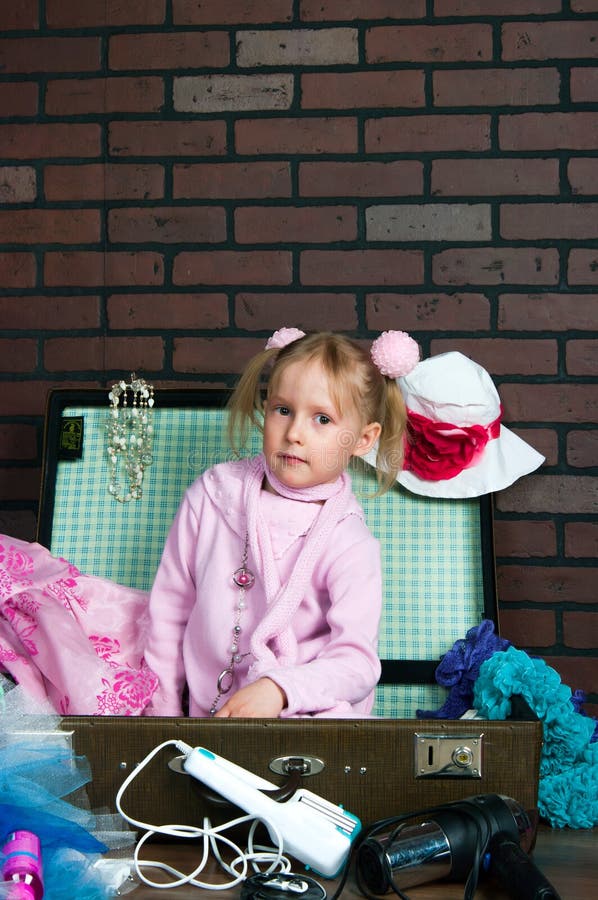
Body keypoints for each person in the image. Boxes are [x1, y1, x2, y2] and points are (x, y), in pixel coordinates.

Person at [143, 327, 420, 719]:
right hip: (205, 716)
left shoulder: (348, 540)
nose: (294, 434)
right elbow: (167, 613)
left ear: (363, 439)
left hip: (299, 717)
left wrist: (280, 690)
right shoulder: (211, 496)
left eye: (322, 419)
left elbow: (357, 664)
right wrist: (163, 717)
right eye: (283, 410)